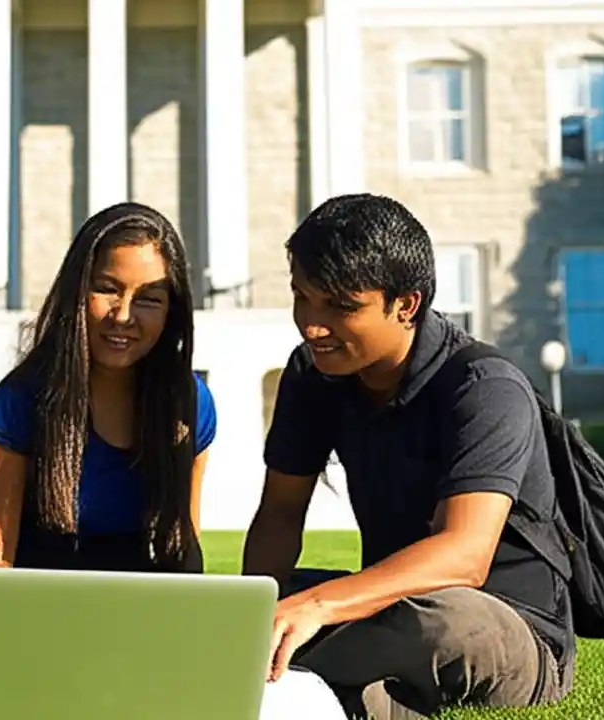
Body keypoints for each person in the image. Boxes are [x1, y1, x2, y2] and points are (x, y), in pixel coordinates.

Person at [243, 194, 575, 719]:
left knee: (442, 622)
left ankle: (283, 677)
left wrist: (318, 607)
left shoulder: (483, 387)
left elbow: (464, 555)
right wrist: (253, 611)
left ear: (407, 305)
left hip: (503, 624)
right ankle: (326, 686)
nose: (311, 325)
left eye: (340, 307)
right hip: (385, 604)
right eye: (302, 297)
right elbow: (281, 513)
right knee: (241, 602)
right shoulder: (313, 375)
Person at [0, 202, 214, 573]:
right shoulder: (14, 407)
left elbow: (185, 548)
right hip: (45, 618)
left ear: (170, 312)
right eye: (106, 289)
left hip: (149, 621)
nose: (124, 316)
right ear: (76, 292)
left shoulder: (189, 403)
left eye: (149, 299)